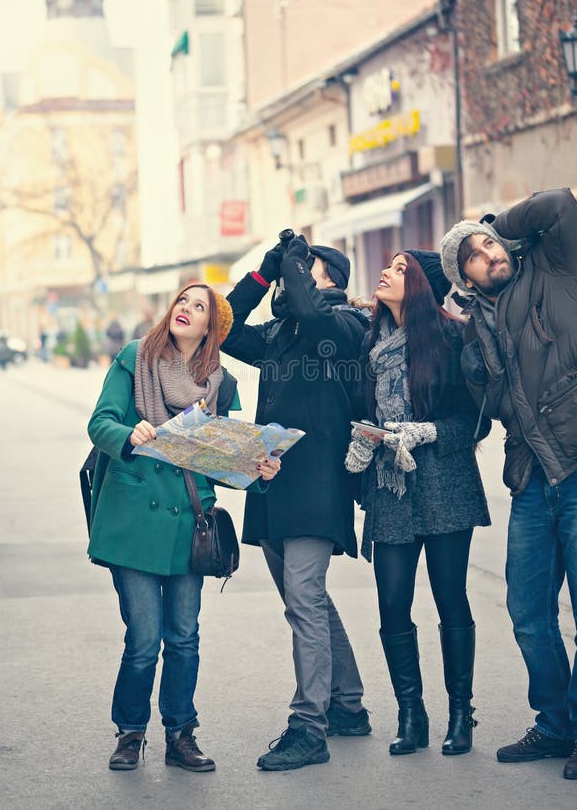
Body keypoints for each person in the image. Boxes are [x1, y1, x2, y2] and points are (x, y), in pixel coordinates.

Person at [87, 283, 280, 773]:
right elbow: (100, 423)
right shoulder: (135, 358)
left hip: (187, 526)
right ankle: (130, 732)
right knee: (144, 640)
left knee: (184, 637)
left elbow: (222, 460)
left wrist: (256, 470)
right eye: (183, 301)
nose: (187, 310)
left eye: (200, 307)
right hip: (132, 521)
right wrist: (129, 433)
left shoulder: (221, 383)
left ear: (212, 328)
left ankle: (180, 734)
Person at [440, 187, 577, 780]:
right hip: (530, 475)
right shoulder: (476, 328)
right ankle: (554, 724)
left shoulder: (554, 266)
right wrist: (470, 357)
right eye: (472, 252)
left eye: (489, 242)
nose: (487, 251)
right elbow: (495, 406)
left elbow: (559, 204)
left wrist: (497, 223)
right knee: (527, 612)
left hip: (576, 463)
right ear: (464, 278)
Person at [222, 232, 371, 772]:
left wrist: (295, 267)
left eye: (309, 268)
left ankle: (310, 726)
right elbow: (225, 329)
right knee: (303, 598)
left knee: (304, 597)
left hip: (319, 485)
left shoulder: (348, 327)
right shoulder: (280, 333)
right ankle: (348, 705)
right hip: (273, 484)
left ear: (332, 277)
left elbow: (311, 309)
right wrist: (263, 273)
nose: (296, 275)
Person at [345, 249, 490, 757]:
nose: (385, 271)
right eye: (387, 264)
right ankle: (412, 714)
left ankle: (460, 713)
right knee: (391, 605)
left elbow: (477, 420)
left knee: (451, 599)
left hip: (445, 483)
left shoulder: (452, 337)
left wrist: (425, 431)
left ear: (422, 285)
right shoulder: (372, 343)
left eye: (401, 268)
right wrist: (365, 438)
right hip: (390, 488)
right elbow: (364, 411)